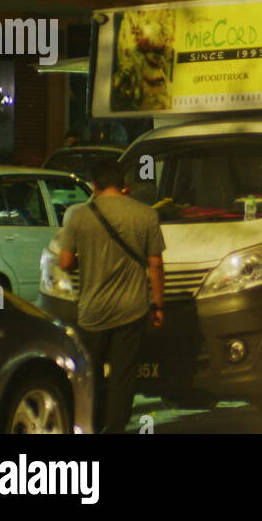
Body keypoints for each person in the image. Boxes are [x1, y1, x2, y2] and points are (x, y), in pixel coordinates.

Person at [58, 159, 166, 433]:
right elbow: (155, 264)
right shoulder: (146, 215)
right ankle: (115, 427)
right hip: (132, 309)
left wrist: (91, 259)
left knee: (89, 372)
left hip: (93, 310)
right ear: (124, 185)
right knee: (124, 374)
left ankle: (90, 423)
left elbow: (65, 262)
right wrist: (158, 305)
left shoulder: (77, 215)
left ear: (94, 185)